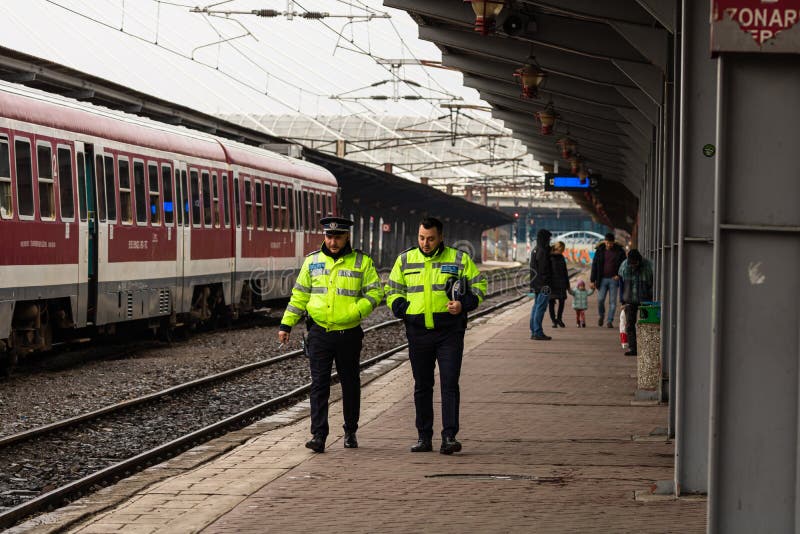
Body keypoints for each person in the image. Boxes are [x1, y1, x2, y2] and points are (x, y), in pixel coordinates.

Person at [278, 216, 384, 453]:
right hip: (319, 332)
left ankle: (350, 430)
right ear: (324, 236)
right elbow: (300, 296)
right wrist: (286, 324)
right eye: (329, 236)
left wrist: (357, 310)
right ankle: (318, 435)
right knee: (319, 385)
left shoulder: (361, 262)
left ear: (347, 236)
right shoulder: (312, 262)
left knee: (350, 383)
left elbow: (376, 292)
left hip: (348, 333)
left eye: (338, 236)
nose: (333, 241)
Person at [385, 217, 486, 455]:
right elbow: (392, 289)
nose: (425, 243)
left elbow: (479, 287)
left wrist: (463, 304)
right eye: (421, 238)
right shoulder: (405, 260)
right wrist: (403, 309)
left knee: (449, 383)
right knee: (422, 385)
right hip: (418, 332)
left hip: (449, 332)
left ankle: (449, 436)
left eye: (430, 238)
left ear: (441, 237)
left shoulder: (459, 259)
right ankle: (424, 437)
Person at [618, 249, 654, 356]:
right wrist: (622, 301)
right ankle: (633, 348)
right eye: (631, 263)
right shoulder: (625, 266)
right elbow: (621, 284)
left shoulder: (648, 266)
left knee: (646, 324)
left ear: (640, 260)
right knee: (630, 324)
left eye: (635, 263)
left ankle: (645, 347)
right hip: (629, 299)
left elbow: (651, 284)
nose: (633, 265)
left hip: (645, 299)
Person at [589, 232, 626, 328]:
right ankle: (601, 316)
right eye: (607, 243)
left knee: (613, 302)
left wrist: (619, 275)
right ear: (605, 241)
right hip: (602, 279)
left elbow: (624, 265)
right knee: (600, 300)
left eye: (611, 243)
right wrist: (592, 280)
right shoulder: (599, 251)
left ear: (613, 242)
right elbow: (594, 266)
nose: (609, 245)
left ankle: (610, 320)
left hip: (614, 279)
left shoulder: (620, 251)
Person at [529, 229, 553, 340]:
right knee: (540, 308)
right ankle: (538, 332)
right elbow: (544, 270)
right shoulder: (543, 251)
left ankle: (534, 331)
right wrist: (547, 284)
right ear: (545, 239)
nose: (549, 241)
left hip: (536, 283)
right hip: (544, 285)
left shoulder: (535, 250)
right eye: (548, 238)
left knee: (535, 307)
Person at [548, 241, 569, 328]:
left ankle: (559, 319)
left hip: (561, 282)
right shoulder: (549, 257)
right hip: (552, 283)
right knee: (551, 302)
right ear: (558, 248)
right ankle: (554, 321)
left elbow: (565, 271)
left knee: (562, 301)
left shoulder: (561, 257)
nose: (563, 251)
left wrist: (567, 285)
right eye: (562, 249)